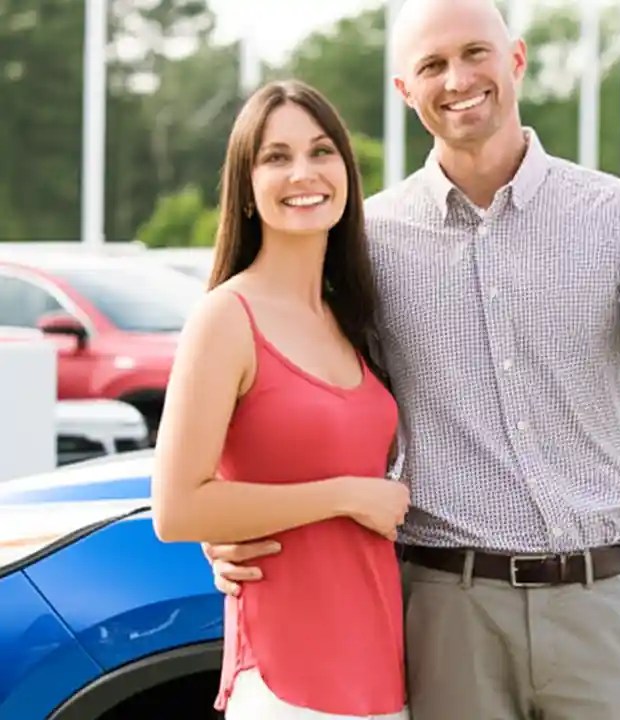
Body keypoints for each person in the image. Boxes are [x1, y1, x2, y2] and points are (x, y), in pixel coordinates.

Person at [205, 0, 620, 717]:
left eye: (476, 53)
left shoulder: (616, 215)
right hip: (445, 615)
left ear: (517, 60)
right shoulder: (365, 242)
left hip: (599, 610)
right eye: (432, 65)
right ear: (406, 91)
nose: (458, 78)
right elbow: (299, 404)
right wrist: (225, 528)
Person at [149, 79, 412, 720]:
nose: (304, 172)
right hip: (287, 676)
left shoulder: (349, 315)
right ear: (245, 187)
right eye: (276, 156)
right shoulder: (226, 318)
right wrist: (347, 494)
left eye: (322, 151)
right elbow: (177, 508)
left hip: (379, 669)